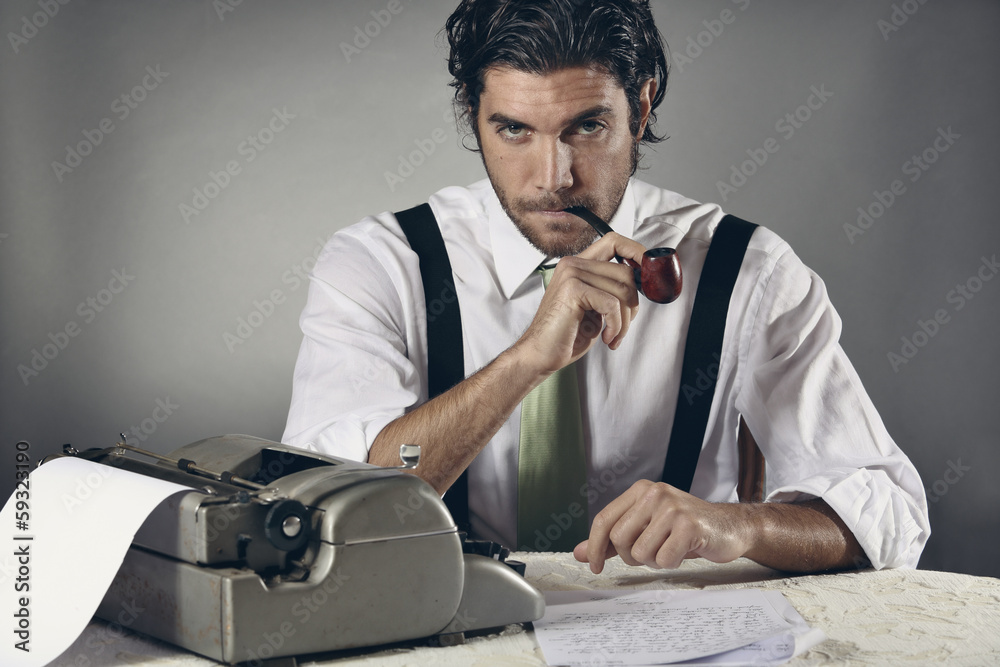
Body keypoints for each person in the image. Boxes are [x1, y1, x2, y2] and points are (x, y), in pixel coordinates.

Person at [282, 0, 929, 574]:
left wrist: (741, 523)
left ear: (641, 106)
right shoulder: (379, 263)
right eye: (514, 129)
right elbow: (317, 505)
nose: (553, 178)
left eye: (586, 126)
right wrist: (528, 358)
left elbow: (890, 512)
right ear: (471, 114)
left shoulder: (744, 270)